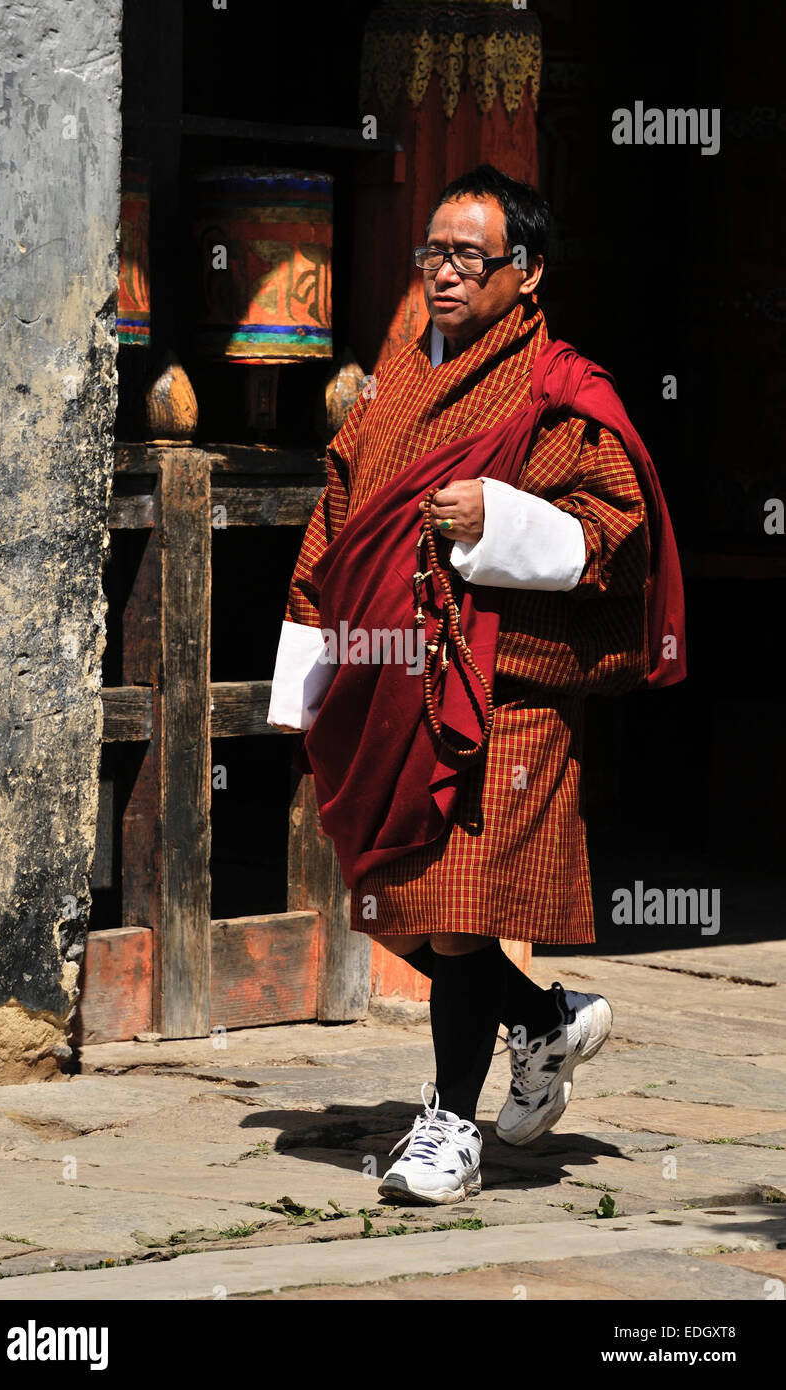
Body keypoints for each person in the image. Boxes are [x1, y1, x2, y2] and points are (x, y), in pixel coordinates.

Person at [267, 163, 684, 1206]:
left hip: (506, 680)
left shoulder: (559, 390)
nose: (443, 273)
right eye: (432, 253)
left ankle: (447, 1130)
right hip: (387, 674)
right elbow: (339, 511)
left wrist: (497, 522)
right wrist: (306, 662)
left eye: (468, 256)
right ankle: (544, 1021)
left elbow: (616, 528)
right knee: (391, 894)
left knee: (454, 911)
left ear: (526, 273)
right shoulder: (396, 380)